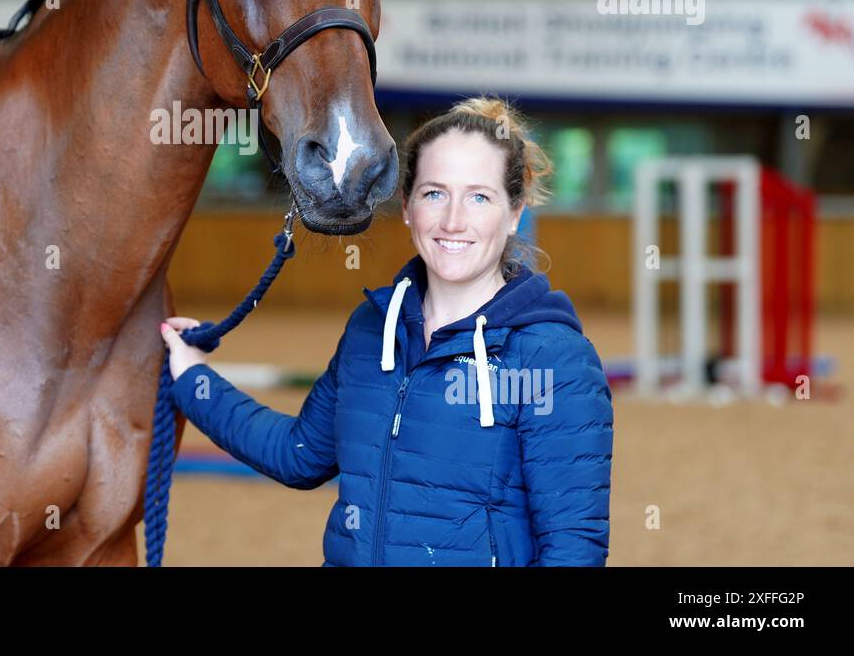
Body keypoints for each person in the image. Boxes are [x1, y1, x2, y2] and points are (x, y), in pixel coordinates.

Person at [160, 96, 614, 566]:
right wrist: (195, 381)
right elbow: (297, 454)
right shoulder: (370, 330)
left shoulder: (554, 359)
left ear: (515, 212)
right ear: (406, 206)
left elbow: (572, 551)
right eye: (434, 193)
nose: (453, 220)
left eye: (479, 196)